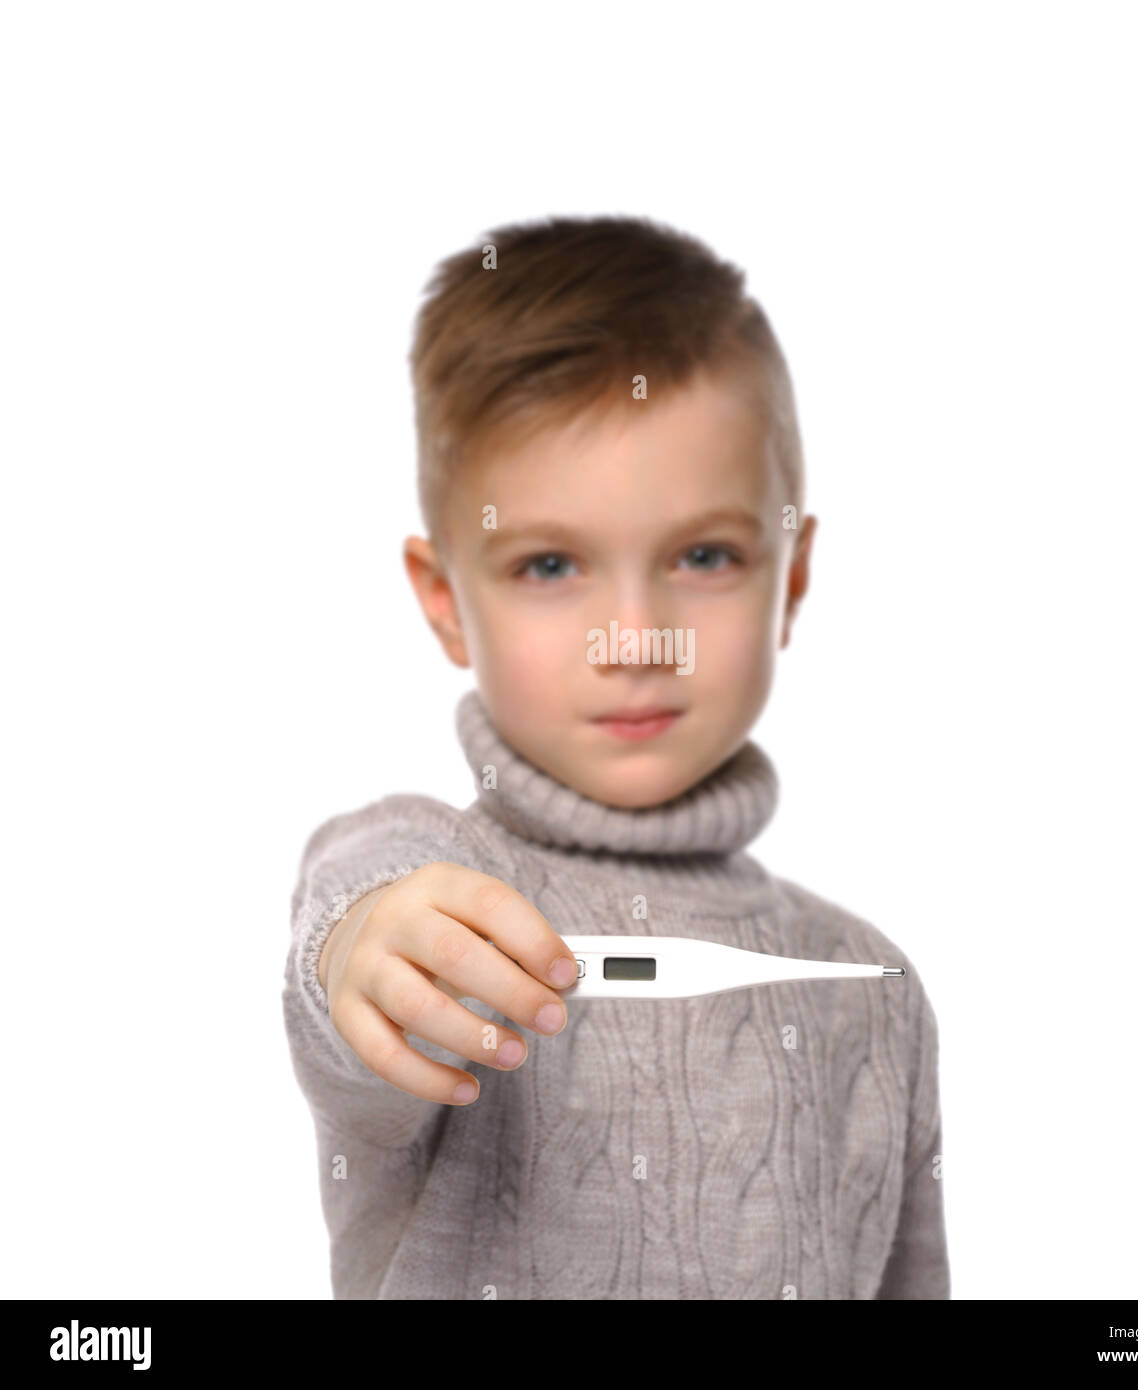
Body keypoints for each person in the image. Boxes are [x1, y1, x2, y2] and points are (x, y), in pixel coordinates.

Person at [282, 214, 950, 1300]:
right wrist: (366, 948)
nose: (634, 637)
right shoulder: (432, 888)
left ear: (788, 577)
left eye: (703, 555)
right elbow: (352, 943)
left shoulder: (871, 986)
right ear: (446, 600)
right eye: (550, 564)